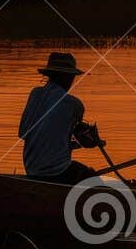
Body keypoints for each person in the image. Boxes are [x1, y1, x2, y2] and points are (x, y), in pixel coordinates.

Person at [18, 52, 105, 183]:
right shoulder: (74, 104)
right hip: (57, 170)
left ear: (49, 75)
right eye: (71, 77)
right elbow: (72, 140)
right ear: (68, 78)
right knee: (95, 181)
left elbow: (23, 133)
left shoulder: (35, 94)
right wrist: (92, 141)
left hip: (31, 168)